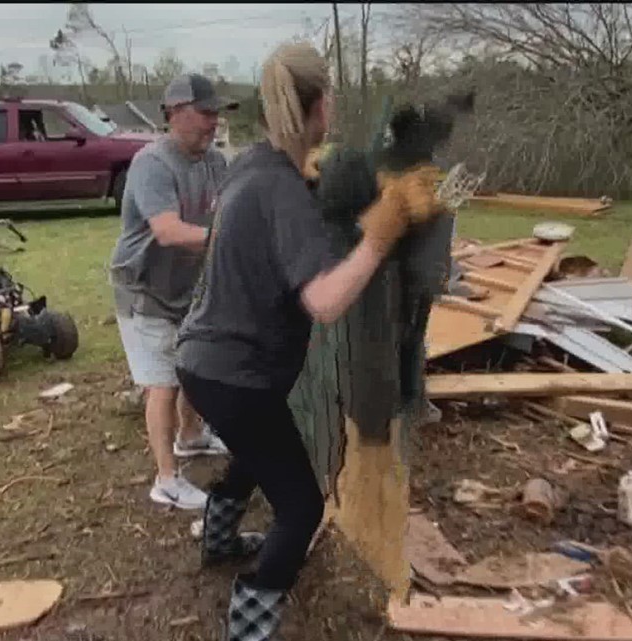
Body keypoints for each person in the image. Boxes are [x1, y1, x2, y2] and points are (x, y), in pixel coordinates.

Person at [174, 42, 447, 640]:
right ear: (321, 104)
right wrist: (381, 235)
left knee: (256, 450)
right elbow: (324, 302)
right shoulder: (284, 195)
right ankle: (250, 614)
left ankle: (219, 545)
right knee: (300, 508)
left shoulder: (254, 165)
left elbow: (285, 195)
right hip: (236, 375)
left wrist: (330, 180)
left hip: (205, 362)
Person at [108, 73, 239, 511]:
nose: (213, 122)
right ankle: (166, 479)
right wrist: (230, 241)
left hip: (185, 284)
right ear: (175, 112)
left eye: (216, 114)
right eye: (205, 113)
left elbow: (229, 211)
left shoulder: (214, 163)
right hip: (143, 286)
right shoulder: (152, 164)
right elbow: (166, 231)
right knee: (161, 383)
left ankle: (190, 436)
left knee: (192, 365)